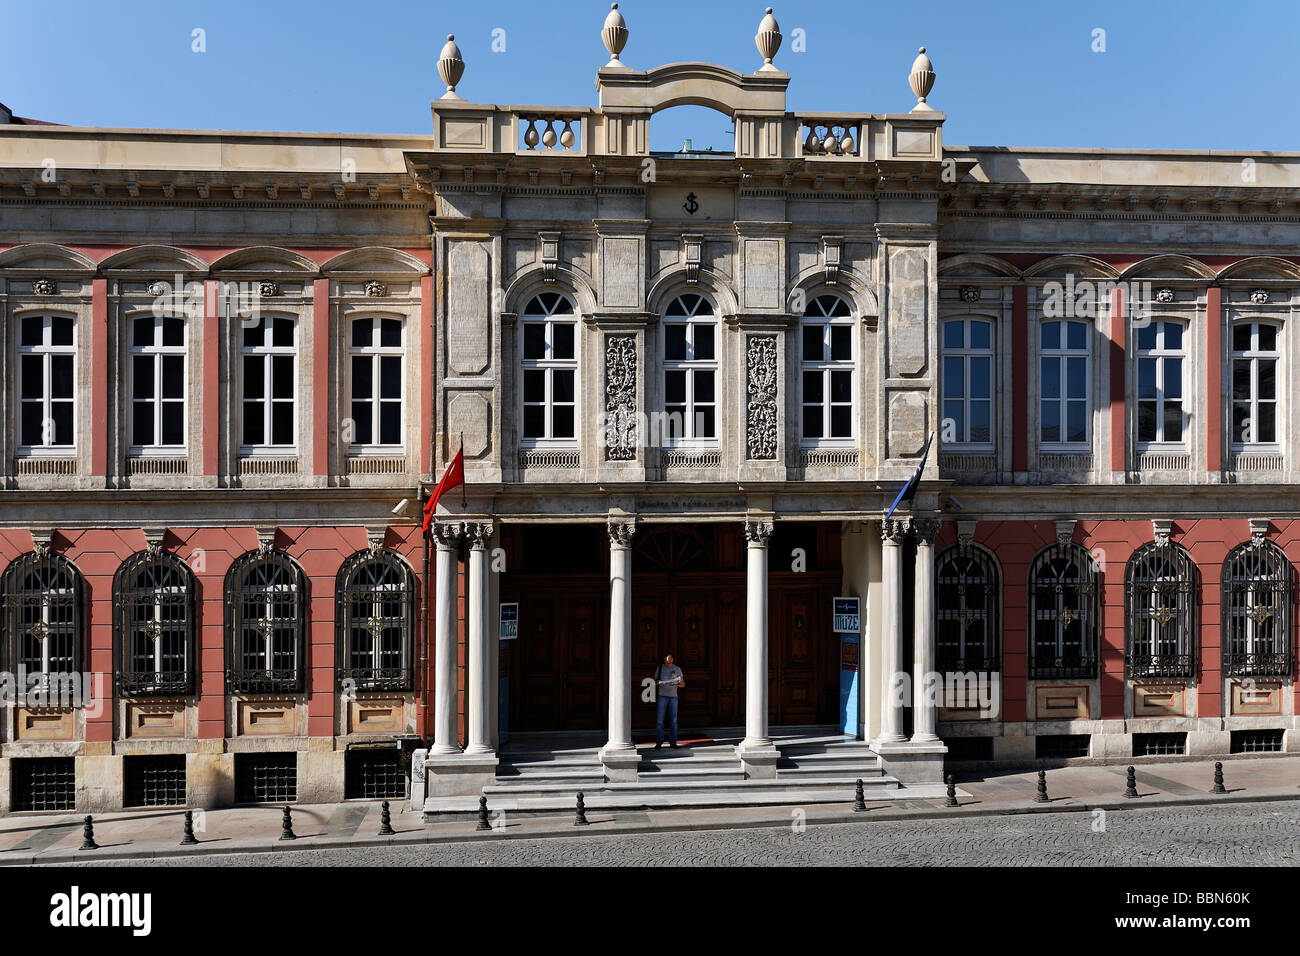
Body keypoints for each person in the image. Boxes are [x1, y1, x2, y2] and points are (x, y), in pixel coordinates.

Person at [654, 652, 685, 749]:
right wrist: (658, 683)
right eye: (667, 662)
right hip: (662, 696)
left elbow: (683, 684)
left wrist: (679, 684)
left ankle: (673, 742)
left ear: (673, 660)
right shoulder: (660, 668)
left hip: (673, 697)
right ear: (664, 660)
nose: (669, 663)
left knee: (674, 721)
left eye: (670, 661)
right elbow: (655, 681)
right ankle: (659, 742)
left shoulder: (677, 669)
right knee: (660, 721)